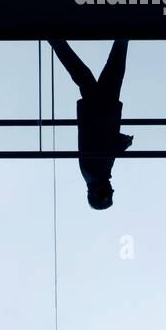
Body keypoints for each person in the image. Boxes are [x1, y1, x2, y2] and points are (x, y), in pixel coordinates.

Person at [50, 38, 132, 210]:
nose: (111, 188)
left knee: (113, 67)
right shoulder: (93, 175)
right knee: (85, 73)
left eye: (108, 192)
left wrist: (122, 144)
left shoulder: (95, 173)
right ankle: (56, 41)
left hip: (101, 110)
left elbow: (103, 145)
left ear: (99, 192)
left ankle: (123, 33)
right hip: (98, 110)